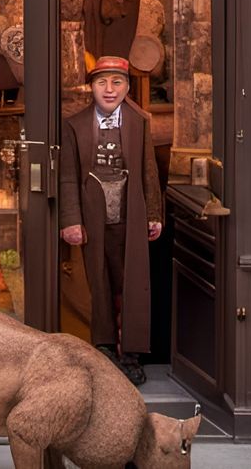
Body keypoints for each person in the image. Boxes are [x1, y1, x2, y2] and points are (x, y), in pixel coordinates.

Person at [59, 56, 164, 384]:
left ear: (127, 87)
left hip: (128, 216)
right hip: (93, 218)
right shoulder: (74, 124)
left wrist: (153, 213)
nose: (109, 89)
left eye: (117, 83)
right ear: (91, 87)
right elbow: (67, 178)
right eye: (102, 82)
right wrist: (71, 220)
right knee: (97, 281)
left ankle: (129, 352)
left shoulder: (139, 121)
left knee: (128, 281)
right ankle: (102, 348)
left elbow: (149, 169)